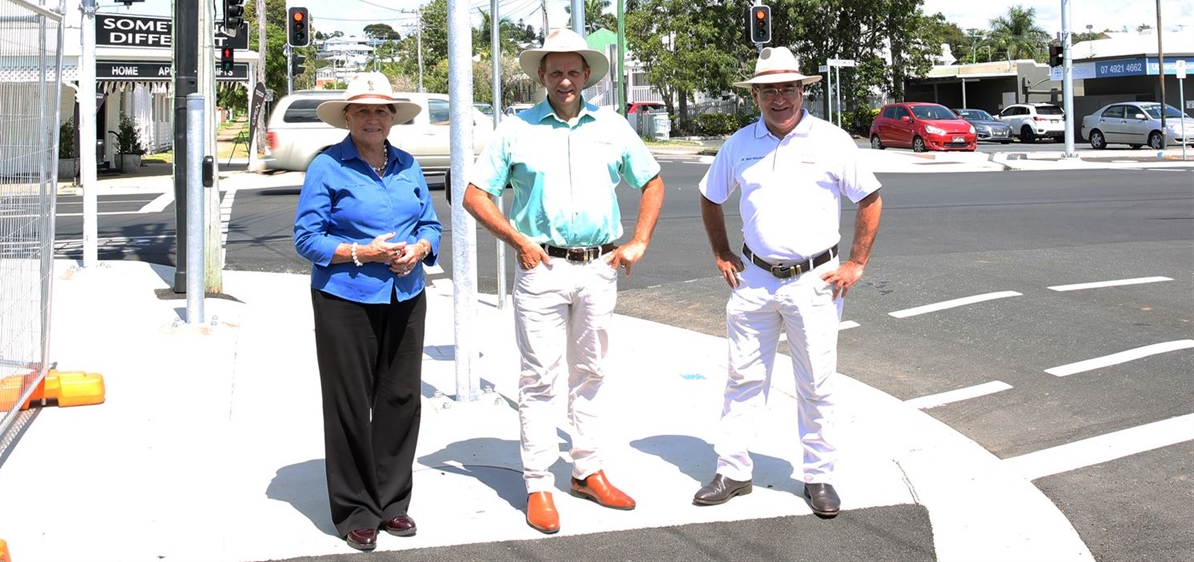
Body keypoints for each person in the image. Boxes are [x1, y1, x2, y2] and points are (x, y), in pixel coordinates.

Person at [462, 28, 665, 536]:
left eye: (574, 71)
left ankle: (587, 470)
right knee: (538, 379)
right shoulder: (516, 130)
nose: (565, 79)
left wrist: (637, 240)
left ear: (588, 76)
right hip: (541, 268)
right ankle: (537, 484)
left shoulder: (614, 127)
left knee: (591, 373)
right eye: (555, 71)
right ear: (541, 77)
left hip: (599, 269)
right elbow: (474, 194)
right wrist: (518, 241)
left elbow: (652, 180)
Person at [694, 47, 882, 519]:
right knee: (742, 379)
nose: (779, 98)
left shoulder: (832, 140)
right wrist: (721, 251)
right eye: (769, 90)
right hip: (754, 280)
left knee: (815, 383)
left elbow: (870, 197)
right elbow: (709, 196)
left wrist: (856, 263)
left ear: (803, 90)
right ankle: (733, 470)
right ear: (755, 95)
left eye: (788, 88)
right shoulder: (740, 144)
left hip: (815, 282)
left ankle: (819, 476)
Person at [292, 73, 441, 552]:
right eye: (363, 111)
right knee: (350, 405)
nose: (373, 118)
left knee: (400, 401)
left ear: (392, 118)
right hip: (345, 299)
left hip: (406, 295)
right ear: (348, 118)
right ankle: (356, 510)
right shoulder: (327, 167)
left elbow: (430, 223)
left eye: (381, 111)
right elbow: (307, 239)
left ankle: (392, 503)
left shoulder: (408, 165)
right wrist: (362, 253)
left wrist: (420, 248)